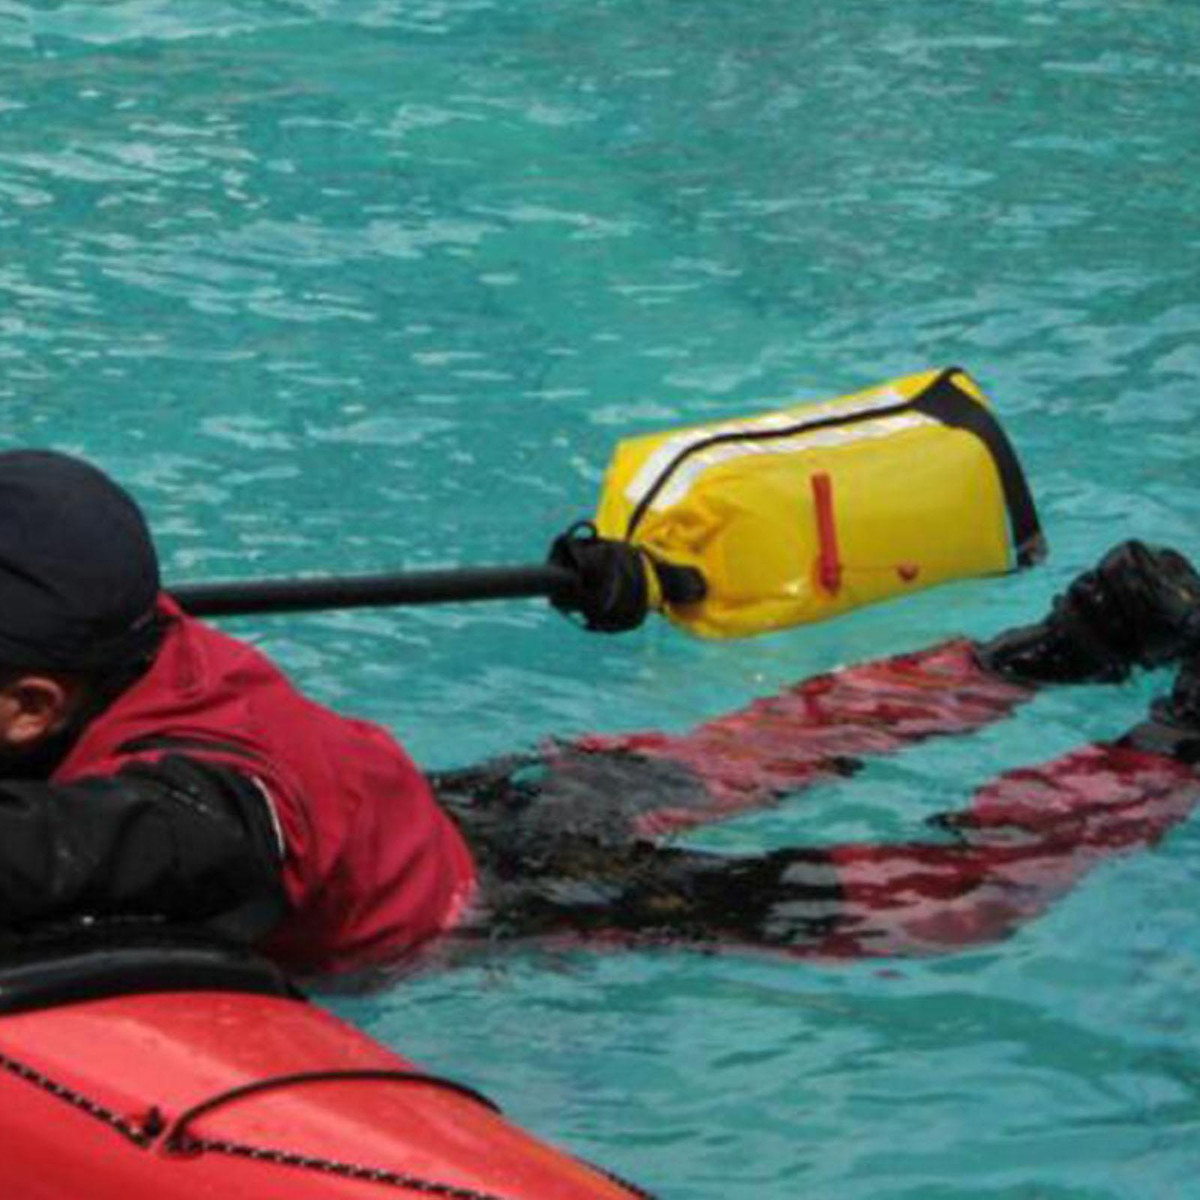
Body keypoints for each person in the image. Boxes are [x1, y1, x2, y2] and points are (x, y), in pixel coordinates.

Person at [0, 449, 1196, 977]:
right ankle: (1048, 656)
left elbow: (73, 851)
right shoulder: (101, 612)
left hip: (515, 904)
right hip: (442, 809)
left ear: (28, 707)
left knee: (924, 894)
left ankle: (1168, 749)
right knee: (737, 756)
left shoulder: (203, 811)